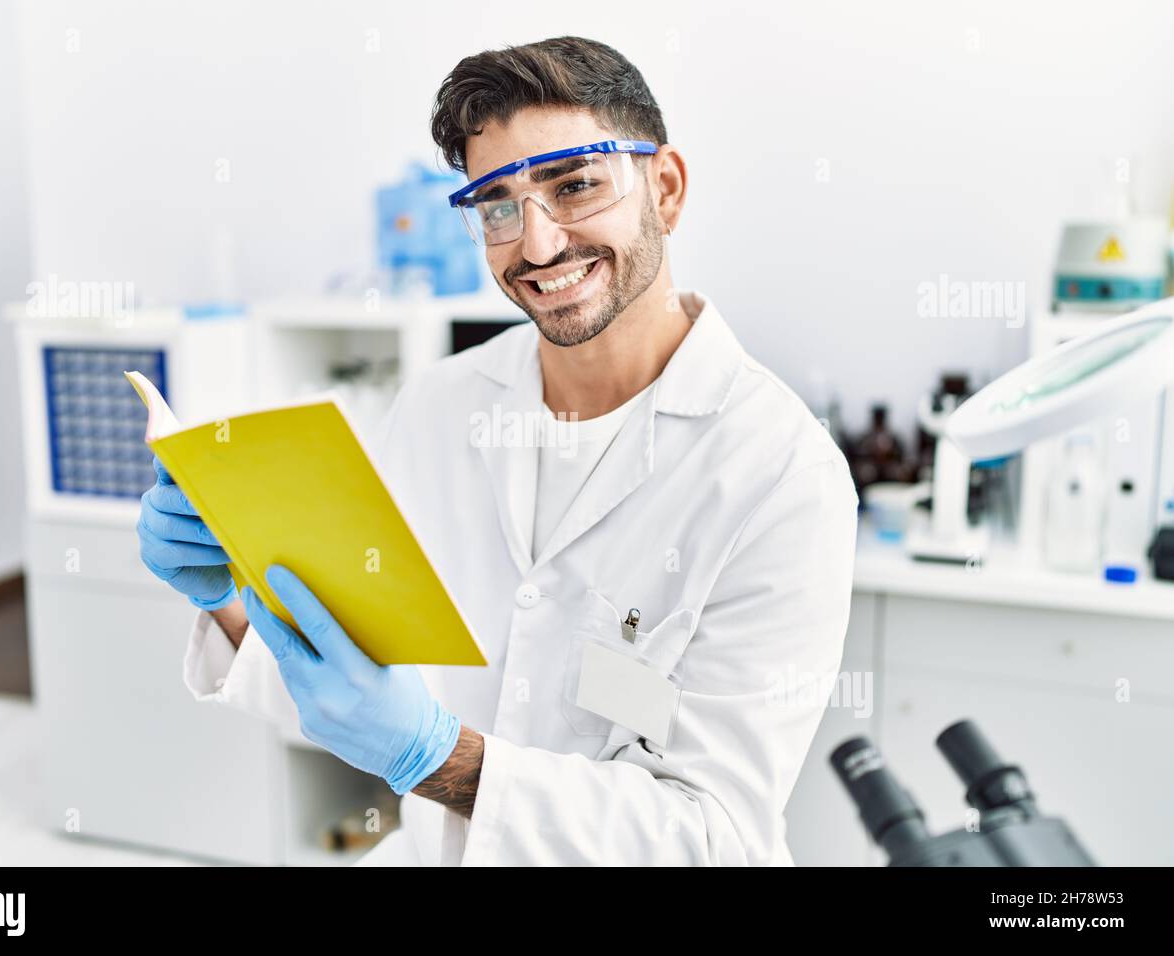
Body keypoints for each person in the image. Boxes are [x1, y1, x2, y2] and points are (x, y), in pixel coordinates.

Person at [136, 36, 858, 865]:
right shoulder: (441, 407)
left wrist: (437, 758)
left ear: (664, 187)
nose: (538, 245)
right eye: (497, 207)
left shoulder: (779, 474)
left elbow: (707, 837)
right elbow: (359, 696)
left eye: (576, 185)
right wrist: (233, 596)